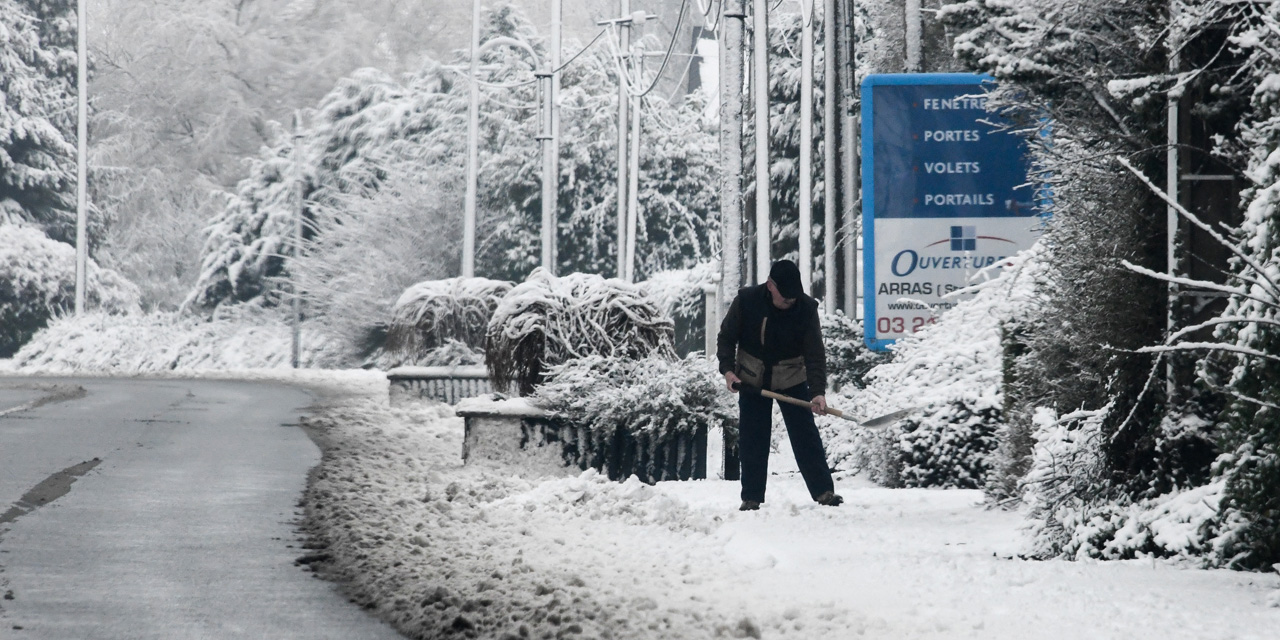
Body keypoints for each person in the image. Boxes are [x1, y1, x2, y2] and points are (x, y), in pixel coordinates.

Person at [716, 259, 843, 511]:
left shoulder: (806, 308)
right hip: (752, 379)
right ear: (771, 286)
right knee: (753, 437)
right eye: (786, 298)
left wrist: (817, 393)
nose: (790, 303)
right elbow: (726, 338)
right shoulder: (747, 301)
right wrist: (729, 371)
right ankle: (751, 497)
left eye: (794, 298)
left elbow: (815, 354)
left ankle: (824, 492)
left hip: (791, 378)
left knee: (805, 434)